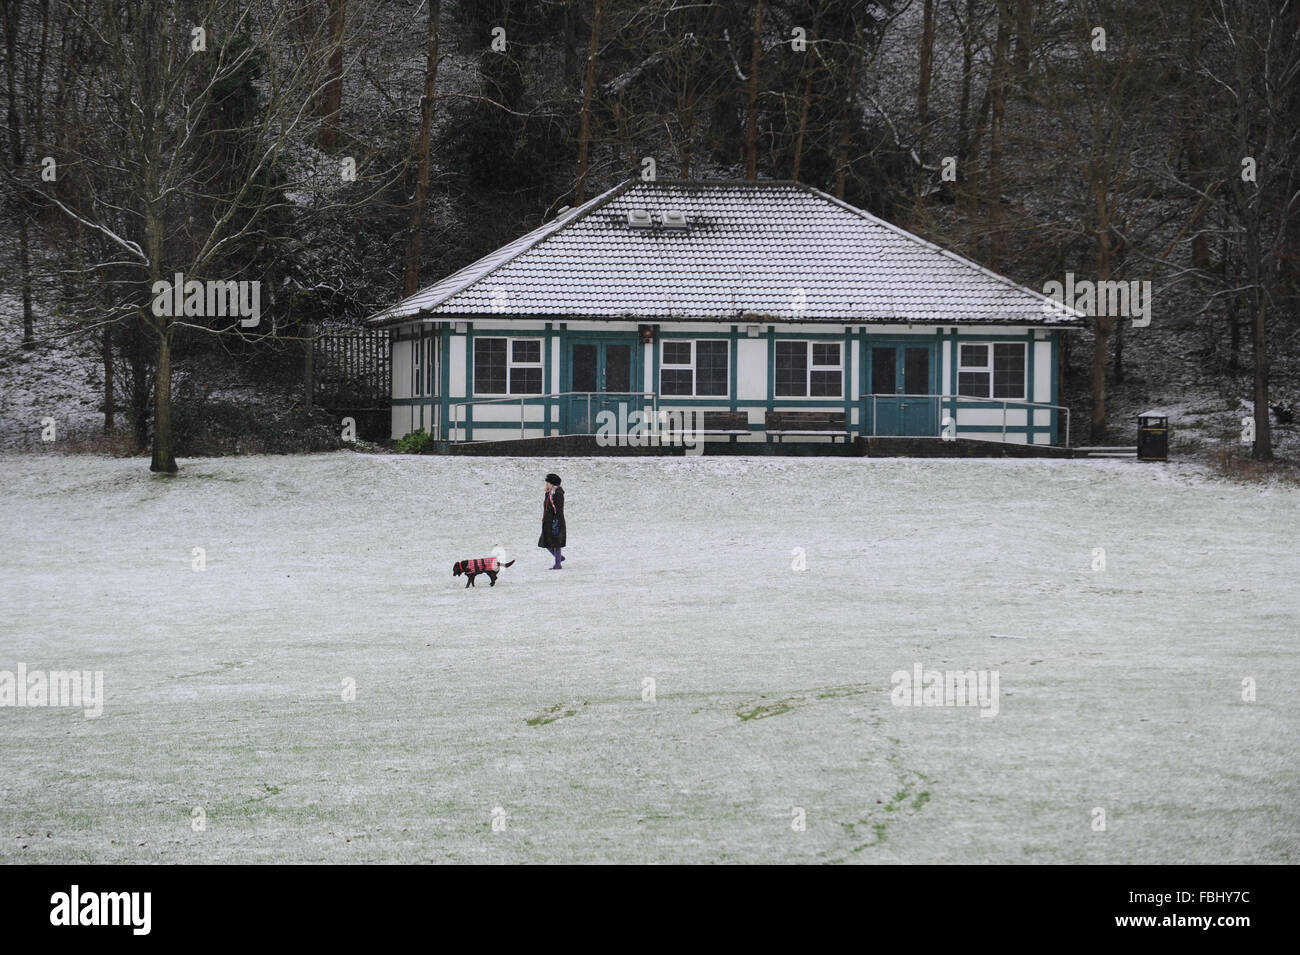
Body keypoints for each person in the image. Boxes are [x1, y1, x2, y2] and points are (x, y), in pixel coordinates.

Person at [538, 473, 566, 570]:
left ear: (553, 484)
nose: (546, 485)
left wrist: (556, 521)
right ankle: (559, 558)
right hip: (548, 521)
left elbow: (559, 509)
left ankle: (557, 564)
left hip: (555, 521)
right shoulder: (550, 493)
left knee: (556, 543)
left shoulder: (558, 494)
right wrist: (547, 493)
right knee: (545, 541)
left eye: (547, 483)